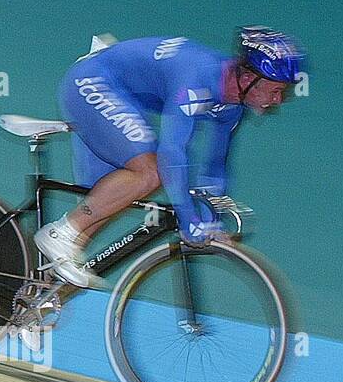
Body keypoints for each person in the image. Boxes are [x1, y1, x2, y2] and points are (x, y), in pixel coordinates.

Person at [35, 27, 305, 287]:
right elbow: (172, 154)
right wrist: (189, 219)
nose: (279, 100)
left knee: (110, 198)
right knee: (152, 171)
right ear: (248, 79)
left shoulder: (232, 106)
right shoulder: (197, 77)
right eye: (276, 90)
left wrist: (211, 220)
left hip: (122, 94)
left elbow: (214, 170)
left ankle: (36, 297)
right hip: (93, 81)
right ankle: (59, 233)